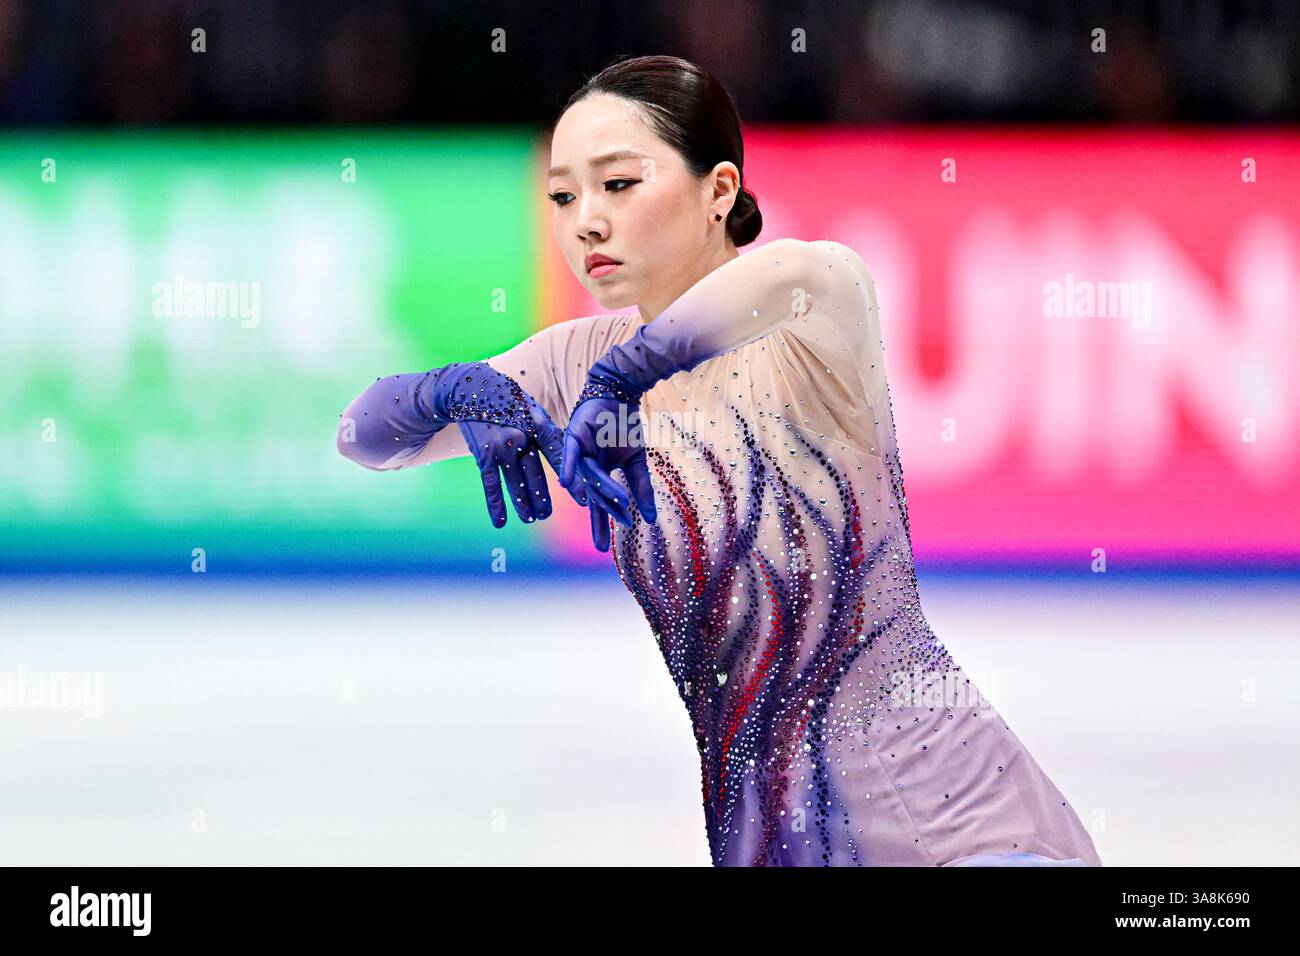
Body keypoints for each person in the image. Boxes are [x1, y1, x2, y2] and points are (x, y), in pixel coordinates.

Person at [337, 54, 1102, 868]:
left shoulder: (816, 316)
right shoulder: (574, 361)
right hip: (776, 843)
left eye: (618, 184)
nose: (585, 221)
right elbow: (361, 437)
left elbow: (791, 273)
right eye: (563, 196)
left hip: (963, 826)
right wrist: (448, 392)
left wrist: (627, 375)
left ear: (720, 191)